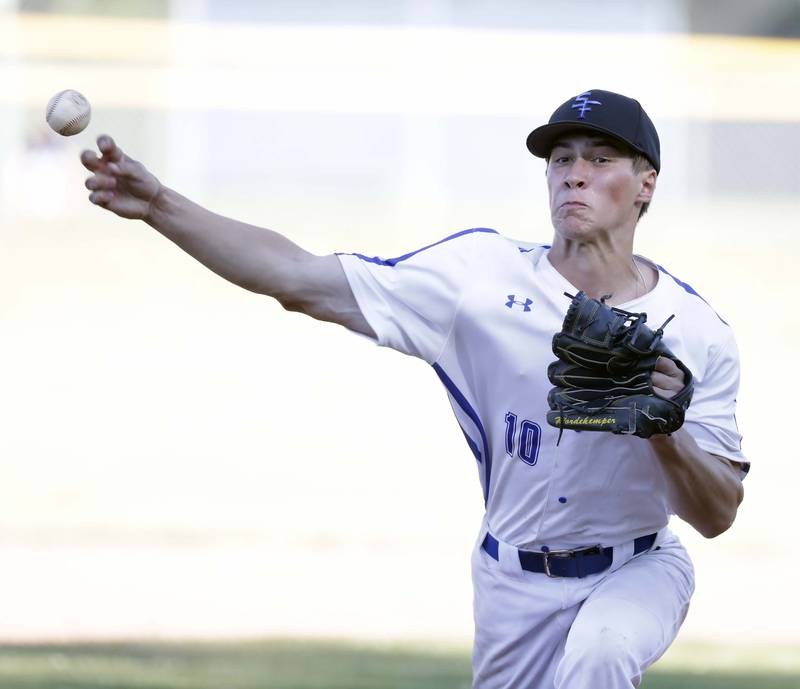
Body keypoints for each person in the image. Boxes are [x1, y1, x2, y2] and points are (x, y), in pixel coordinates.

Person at [81, 88, 747, 689]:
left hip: (638, 569)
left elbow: (717, 514)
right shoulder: (479, 279)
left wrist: (666, 432)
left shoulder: (695, 332)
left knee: (599, 654)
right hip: (511, 583)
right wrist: (160, 206)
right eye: (561, 158)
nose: (574, 171)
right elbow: (296, 278)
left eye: (600, 158)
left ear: (645, 184)